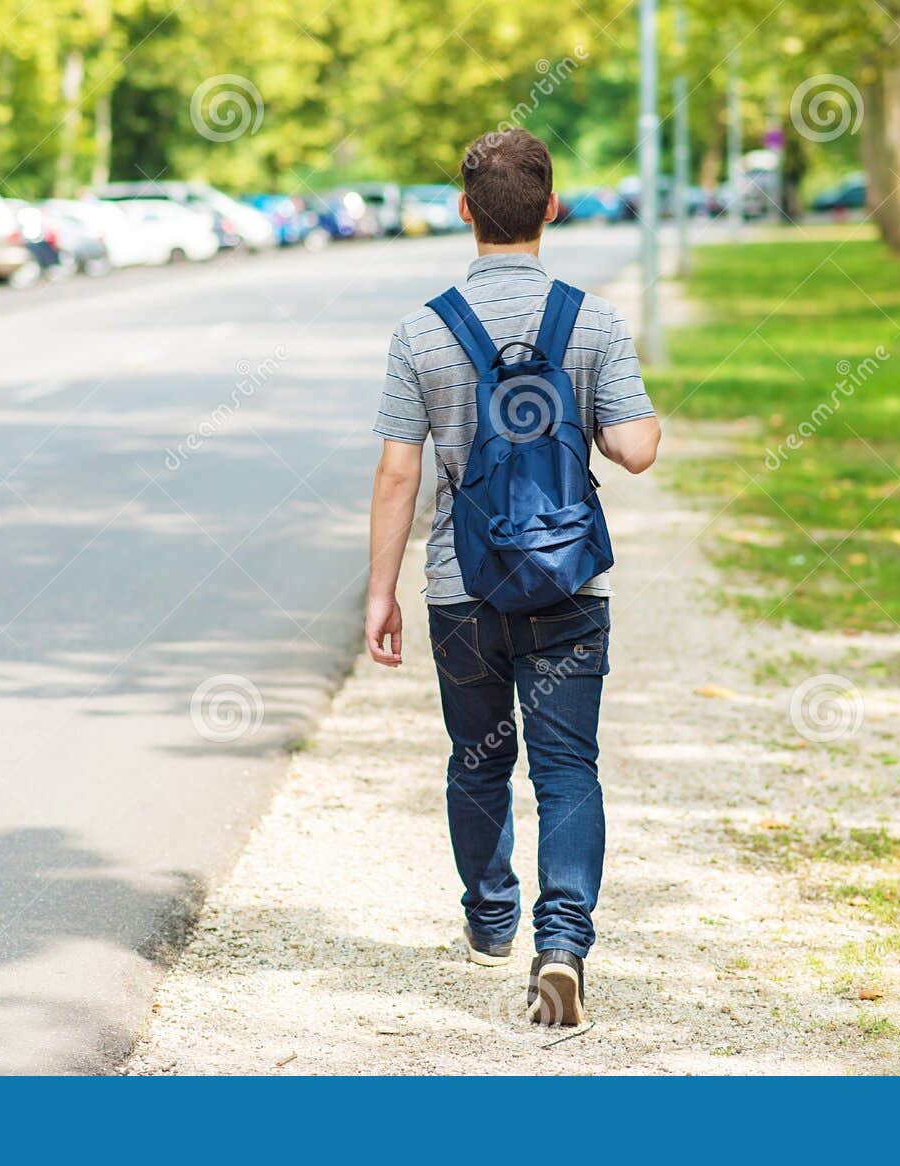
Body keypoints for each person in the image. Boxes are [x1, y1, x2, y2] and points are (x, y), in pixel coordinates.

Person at [365, 128, 662, 1026]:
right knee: (567, 767)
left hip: (463, 588)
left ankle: (490, 917)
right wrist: (593, 418)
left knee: (478, 758)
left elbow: (398, 474)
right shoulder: (593, 320)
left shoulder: (421, 331)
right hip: (568, 583)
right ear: (551, 208)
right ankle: (561, 945)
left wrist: (380, 593)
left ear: (464, 211)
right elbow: (637, 450)